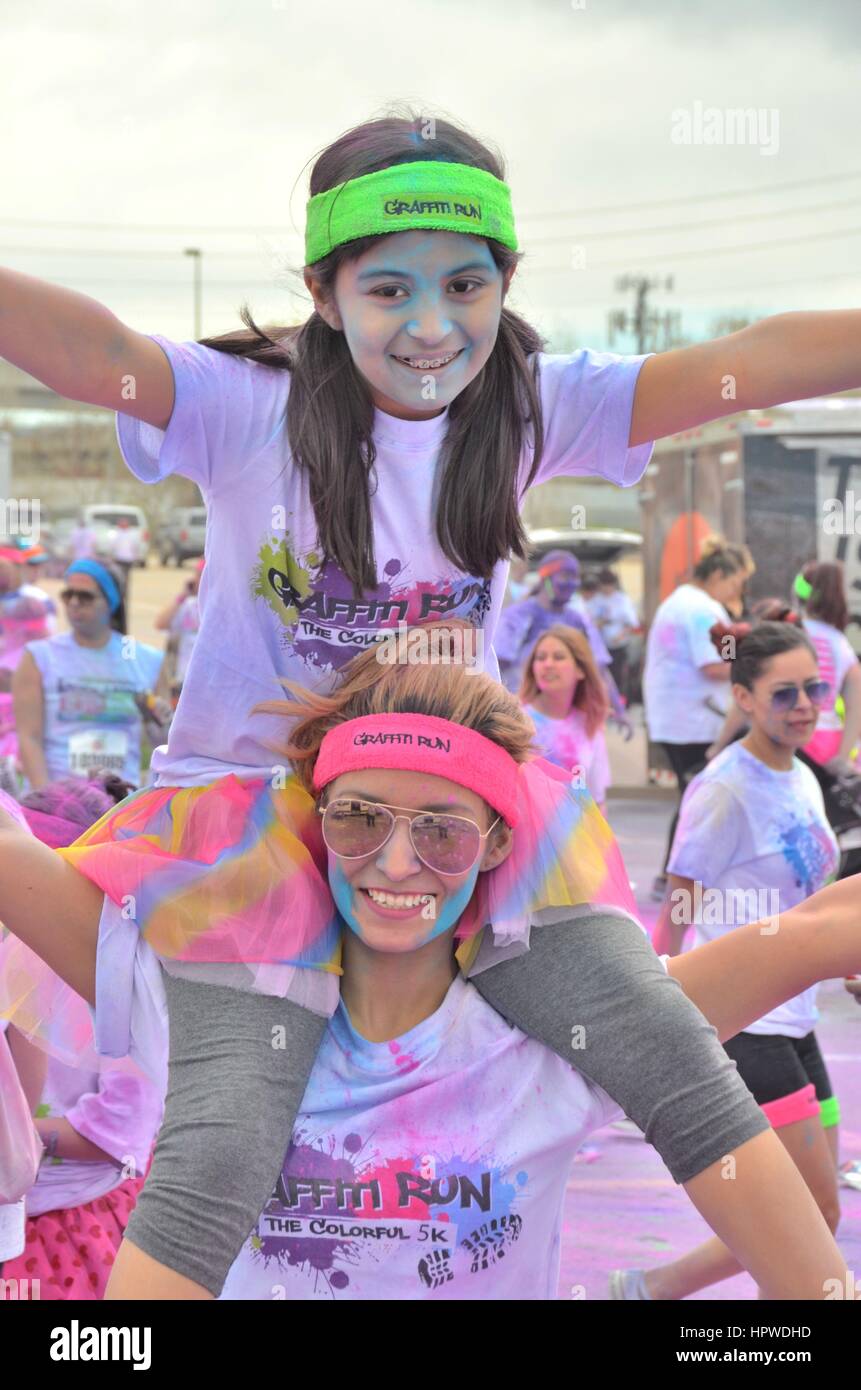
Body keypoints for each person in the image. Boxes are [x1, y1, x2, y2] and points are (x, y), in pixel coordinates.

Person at [3, 106, 861, 1297]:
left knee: (669, 1051)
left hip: (448, 792)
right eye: (387, 289)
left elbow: (747, 363)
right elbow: (95, 353)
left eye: (466, 285)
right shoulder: (247, 407)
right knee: (224, 1142)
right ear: (322, 290)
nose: (430, 326)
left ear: (506, 282)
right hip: (251, 830)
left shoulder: (528, 405)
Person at [0, 631, 859, 1300]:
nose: (396, 863)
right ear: (315, 823)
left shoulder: (562, 1043)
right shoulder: (197, 1002)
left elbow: (821, 927)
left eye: (442, 830)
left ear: (497, 846)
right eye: (359, 818)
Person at [634, 616, 842, 1300]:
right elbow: (679, 905)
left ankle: (647, 1289)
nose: (805, 705)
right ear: (744, 697)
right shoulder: (724, 788)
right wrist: (651, 1013)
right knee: (807, 1216)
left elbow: (806, 900)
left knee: (811, 1218)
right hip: (747, 1023)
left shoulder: (801, 775)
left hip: (797, 1017)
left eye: (814, 688)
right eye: (785, 693)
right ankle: (652, 1289)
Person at [0, 783, 163, 1300]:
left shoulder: (121, 983)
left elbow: (122, 1133)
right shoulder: (13, 956)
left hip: (68, 1228)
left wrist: (25, 1137)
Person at [643, 538, 747, 897]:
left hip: (679, 719)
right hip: (698, 720)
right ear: (718, 575)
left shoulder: (680, 601)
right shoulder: (704, 609)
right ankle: (674, 877)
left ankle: (675, 877)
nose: (737, 592)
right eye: (735, 582)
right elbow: (716, 664)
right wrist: (755, 663)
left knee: (695, 797)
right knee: (700, 799)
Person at [12, 558, 166, 790]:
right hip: (59, 797)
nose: (74, 603)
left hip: (123, 799)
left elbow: (163, 744)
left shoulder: (146, 659)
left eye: (85, 596)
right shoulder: (39, 656)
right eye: (68, 595)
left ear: (111, 602)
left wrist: (160, 723)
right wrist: (48, 799)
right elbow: (29, 738)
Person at [495, 551, 632, 735]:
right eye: (566, 576)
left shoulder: (578, 621)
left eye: (575, 577)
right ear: (546, 579)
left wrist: (619, 710)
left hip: (566, 723)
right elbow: (496, 666)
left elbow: (599, 668)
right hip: (520, 721)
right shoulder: (518, 615)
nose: (572, 583)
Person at [519, 624, 612, 815]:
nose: (548, 664)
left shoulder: (590, 725)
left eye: (559, 657)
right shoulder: (516, 721)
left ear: (581, 670)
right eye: (540, 657)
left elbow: (597, 801)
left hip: (576, 830)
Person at [792, 560, 861, 774]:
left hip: (787, 738)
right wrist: (843, 757)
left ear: (797, 595)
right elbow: (856, 708)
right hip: (828, 747)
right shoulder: (841, 645)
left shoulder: (786, 635)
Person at [153, 558, 204, 705]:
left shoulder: (224, 608)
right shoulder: (188, 606)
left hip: (212, 683)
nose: (198, 580)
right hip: (185, 681)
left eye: (202, 575)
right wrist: (183, 595)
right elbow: (160, 623)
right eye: (197, 575)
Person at [592, 567, 640, 698]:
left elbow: (632, 623)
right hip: (601, 646)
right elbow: (591, 621)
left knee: (617, 677)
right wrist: (599, 624)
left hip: (618, 645)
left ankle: (619, 702)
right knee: (601, 676)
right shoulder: (596, 600)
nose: (606, 589)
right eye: (603, 585)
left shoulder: (622, 600)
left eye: (608, 585)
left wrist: (621, 635)